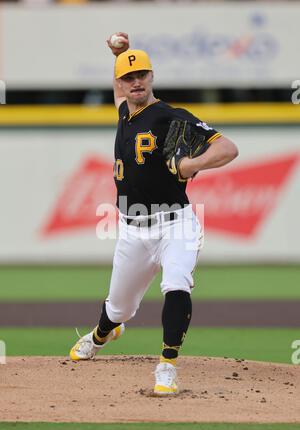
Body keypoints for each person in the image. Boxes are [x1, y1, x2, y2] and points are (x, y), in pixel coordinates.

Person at [70, 32, 238, 395]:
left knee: (176, 284)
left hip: (175, 223)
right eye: (128, 77)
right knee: (118, 308)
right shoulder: (124, 111)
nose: (136, 82)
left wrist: (193, 162)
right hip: (132, 228)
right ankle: (102, 335)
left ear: (151, 77)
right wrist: (120, 53)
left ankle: (167, 364)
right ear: (119, 82)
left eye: (141, 75)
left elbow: (228, 148)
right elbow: (121, 92)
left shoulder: (169, 116)